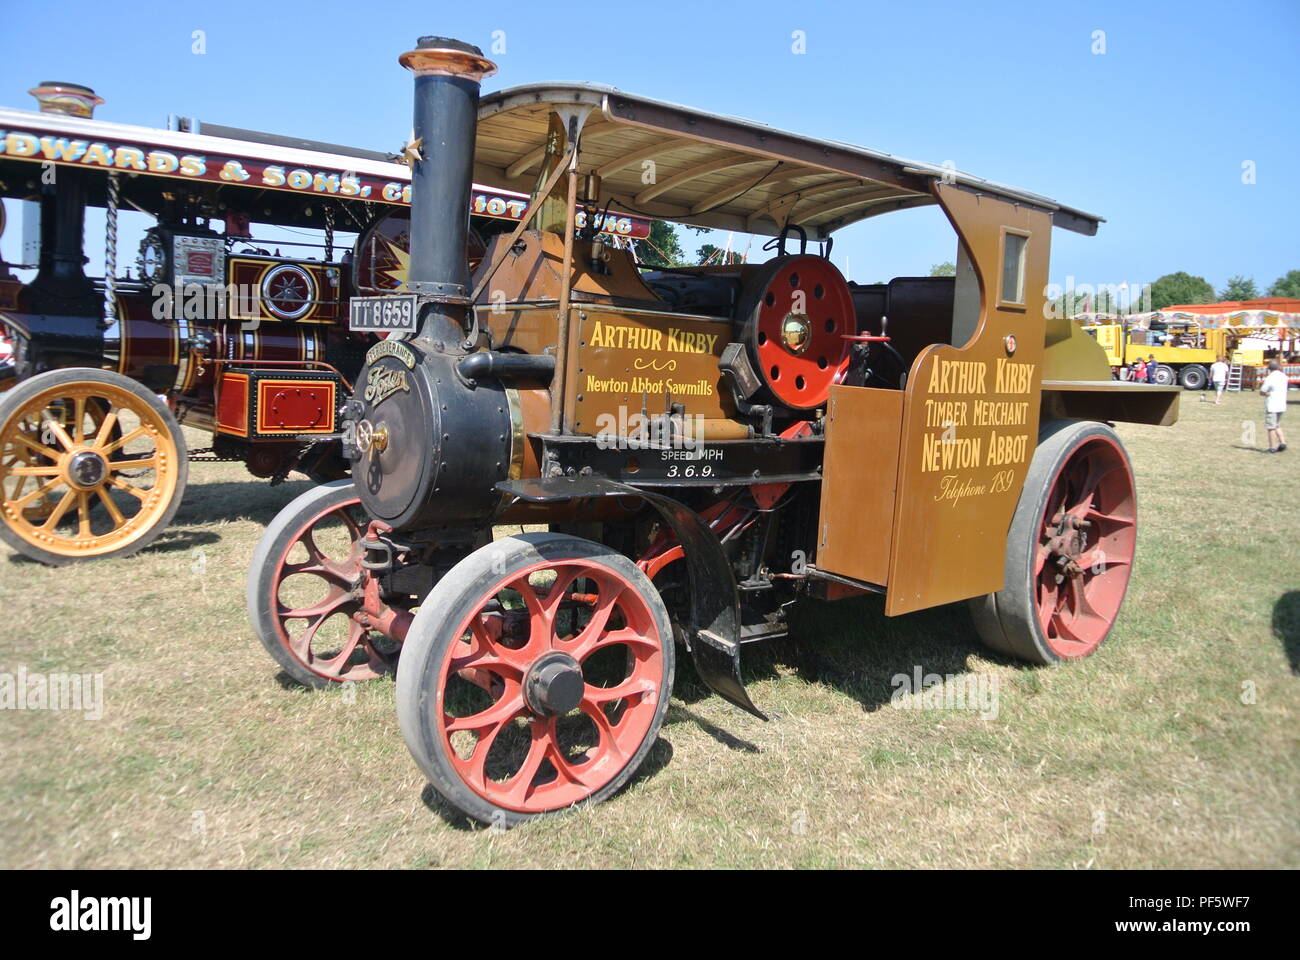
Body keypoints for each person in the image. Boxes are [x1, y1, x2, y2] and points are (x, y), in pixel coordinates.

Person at [1260, 359, 1289, 453]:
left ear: (1269, 368)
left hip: (1272, 405)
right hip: (1281, 404)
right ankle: (1283, 443)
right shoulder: (1284, 376)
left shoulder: (1270, 378)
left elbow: (1262, 391)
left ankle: (1272, 447)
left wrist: (1267, 393)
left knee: (1271, 427)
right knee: (1277, 425)